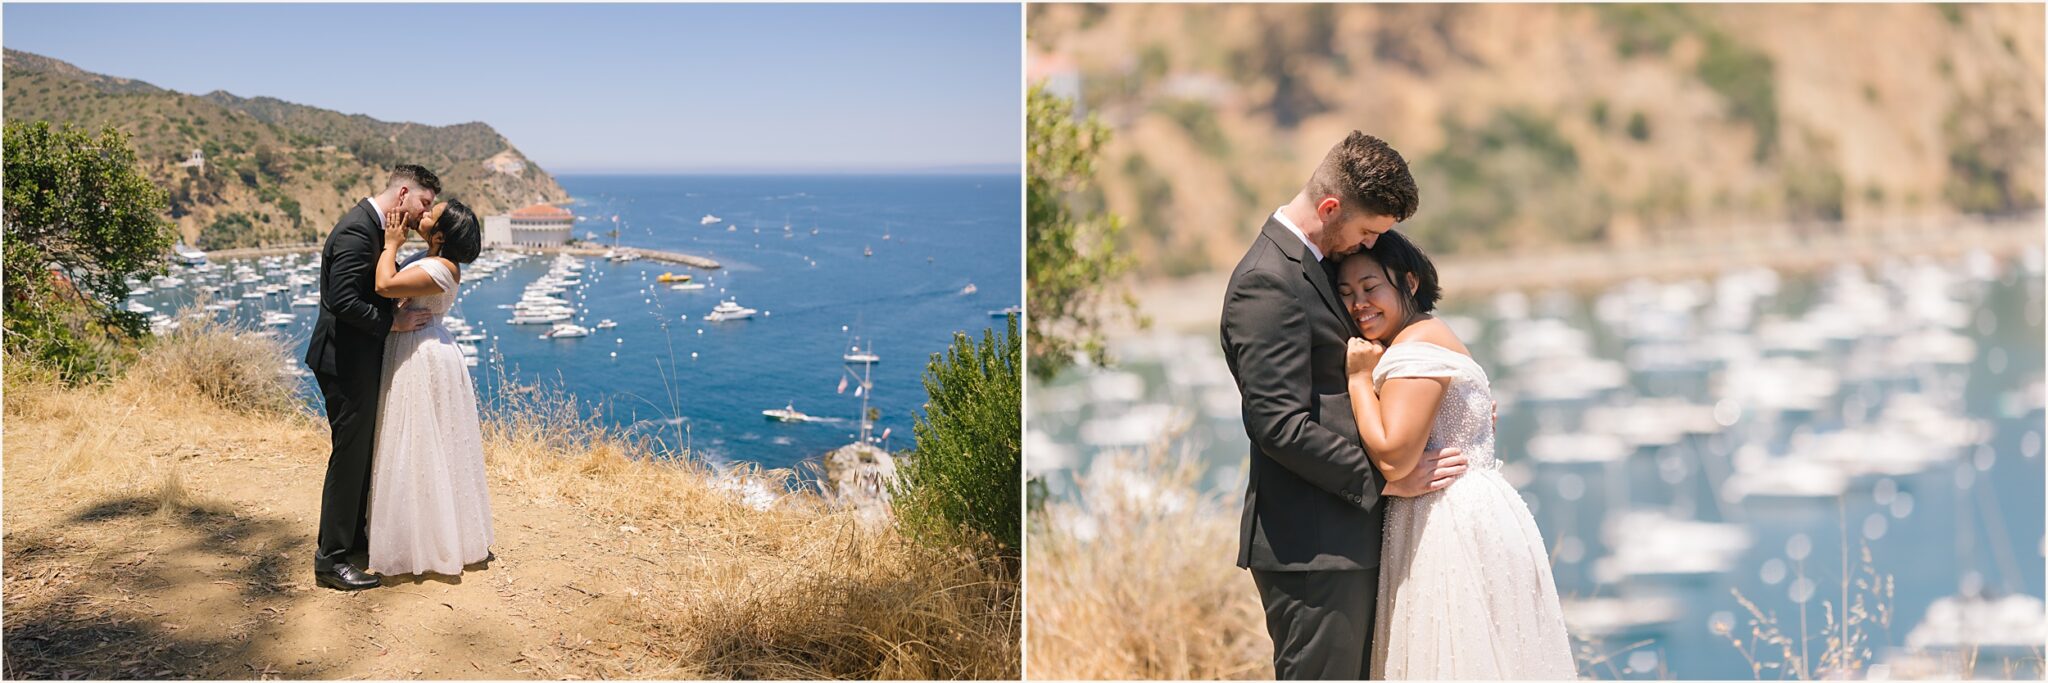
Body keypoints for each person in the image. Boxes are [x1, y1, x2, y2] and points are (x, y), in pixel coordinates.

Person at [1218, 132, 1470, 679]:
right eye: (1367, 231)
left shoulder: (1318, 265)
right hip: (1314, 549)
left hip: (1348, 538)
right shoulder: (1267, 281)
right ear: (1331, 208)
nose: (1368, 245)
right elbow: (1278, 425)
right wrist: (1384, 481)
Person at [1338, 230, 1575, 679]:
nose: (1359, 304)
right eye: (1346, 293)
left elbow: (1393, 459)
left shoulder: (1415, 348)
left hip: (1446, 521)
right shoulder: (1429, 333)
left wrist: (1357, 379)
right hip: (1476, 510)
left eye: (1370, 288)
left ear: (1409, 282)